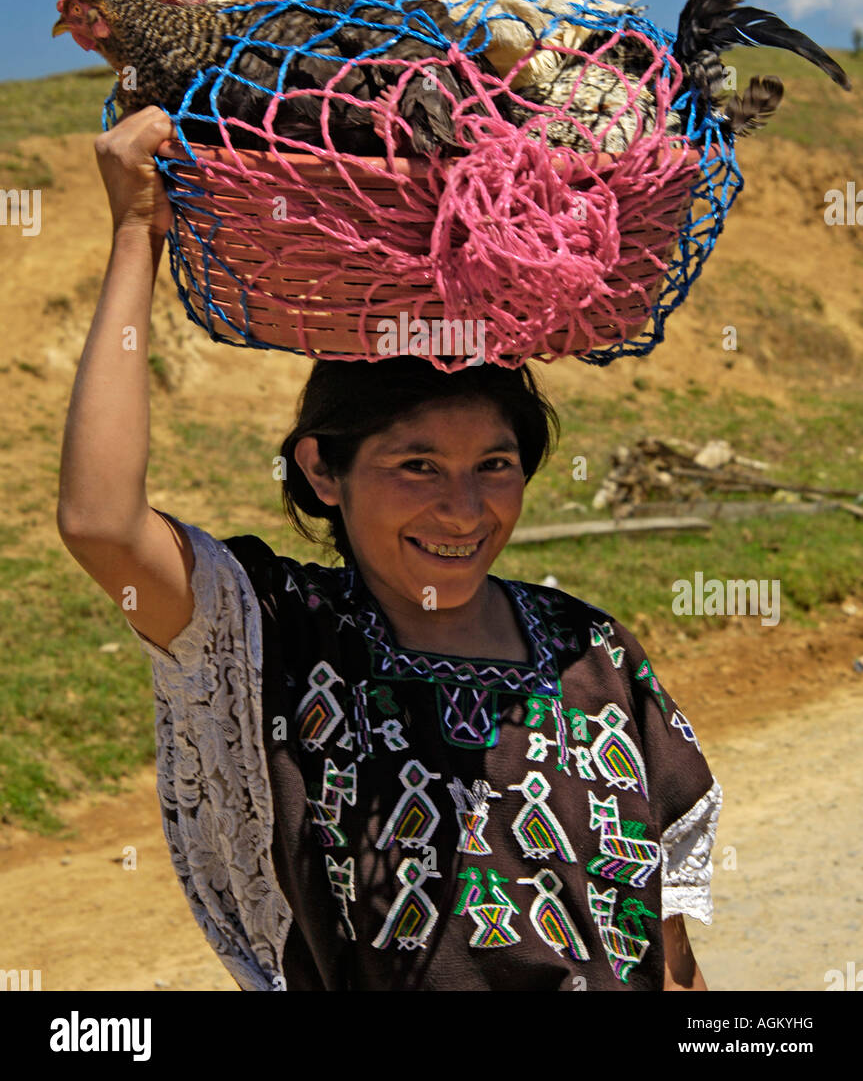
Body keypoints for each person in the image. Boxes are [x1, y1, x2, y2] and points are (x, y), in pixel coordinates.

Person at [58, 106, 721, 992]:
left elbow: (669, 965)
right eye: (417, 466)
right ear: (323, 472)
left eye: (494, 464)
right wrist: (136, 232)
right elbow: (100, 522)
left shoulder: (589, 653)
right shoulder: (276, 636)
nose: (462, 508)